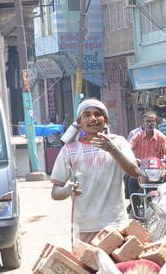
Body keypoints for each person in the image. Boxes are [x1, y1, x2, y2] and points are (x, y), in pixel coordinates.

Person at [51, 98, 142, 241]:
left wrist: (112, 150)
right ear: (80, 121)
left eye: (97, 114)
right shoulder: (69, 149)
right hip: (84, 227)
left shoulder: (118, 142)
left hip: (116, 224)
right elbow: (55, 193)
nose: (93, 118)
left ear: (105, 119)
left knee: (115, 264)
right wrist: (69, 190)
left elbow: (135, 172)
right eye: (87, 114)